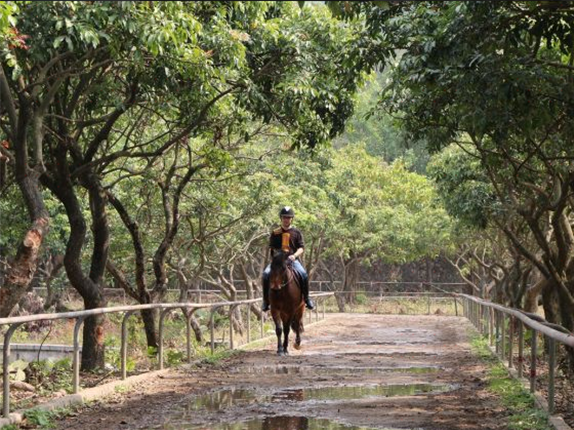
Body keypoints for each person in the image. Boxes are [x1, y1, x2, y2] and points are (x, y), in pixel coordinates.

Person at [261, 206, 315, 312]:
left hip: (292, 261)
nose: (286, 219)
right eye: (284, 217)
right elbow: (271, 248)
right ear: (281, 218)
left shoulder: (296, 232)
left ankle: (307, 299)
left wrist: (294, 256)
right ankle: (266, 301)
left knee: (304, 274)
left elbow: (301, 248)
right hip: (277, 262)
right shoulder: (275, 233)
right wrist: (277, 257)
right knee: (265, 274)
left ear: (291, 219)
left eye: (289, 217)